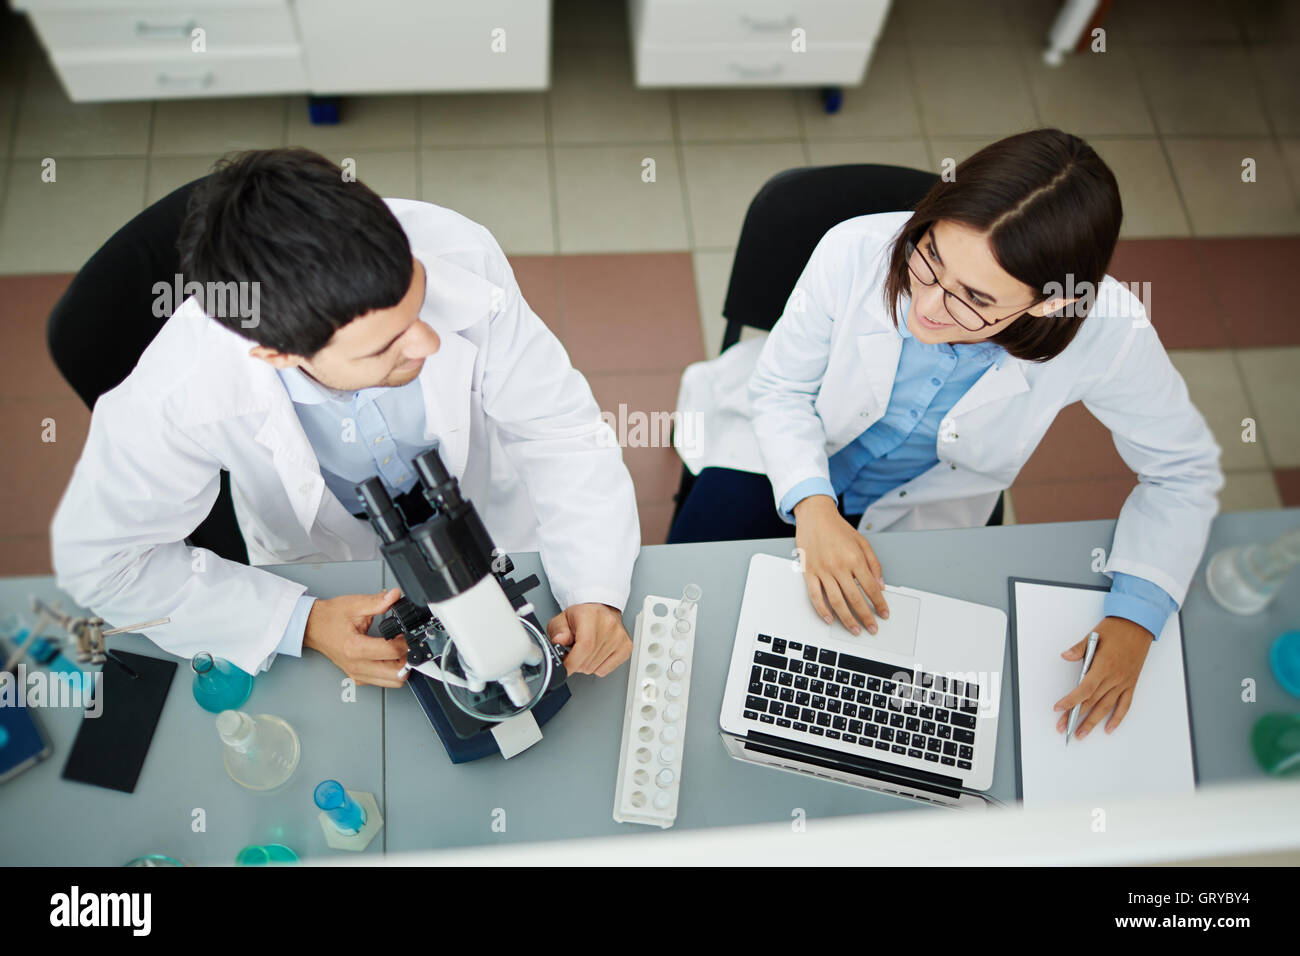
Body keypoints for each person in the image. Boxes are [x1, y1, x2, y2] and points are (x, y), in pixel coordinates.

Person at [671, 129, 1224, 740]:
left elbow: (1183, 472)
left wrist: (1138, 613)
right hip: (782, 455)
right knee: (682, 621)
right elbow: (779, 391)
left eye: (974, 300)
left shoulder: (1107, 331)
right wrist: (813, 504)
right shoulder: (855, 250)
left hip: (926, 508)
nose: (926, 307)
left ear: (1045, 305)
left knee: (878, 697)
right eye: (930, 259)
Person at [50, 147, 640, 686]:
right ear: (279, 352)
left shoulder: (457, 250)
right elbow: (104, 564)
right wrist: (301, 622)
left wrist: (594, 586)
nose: (429, 343)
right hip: (327, 575)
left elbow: (560, 429)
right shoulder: (183, 386)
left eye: (418, 301)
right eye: (385, 346)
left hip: (490, 519)